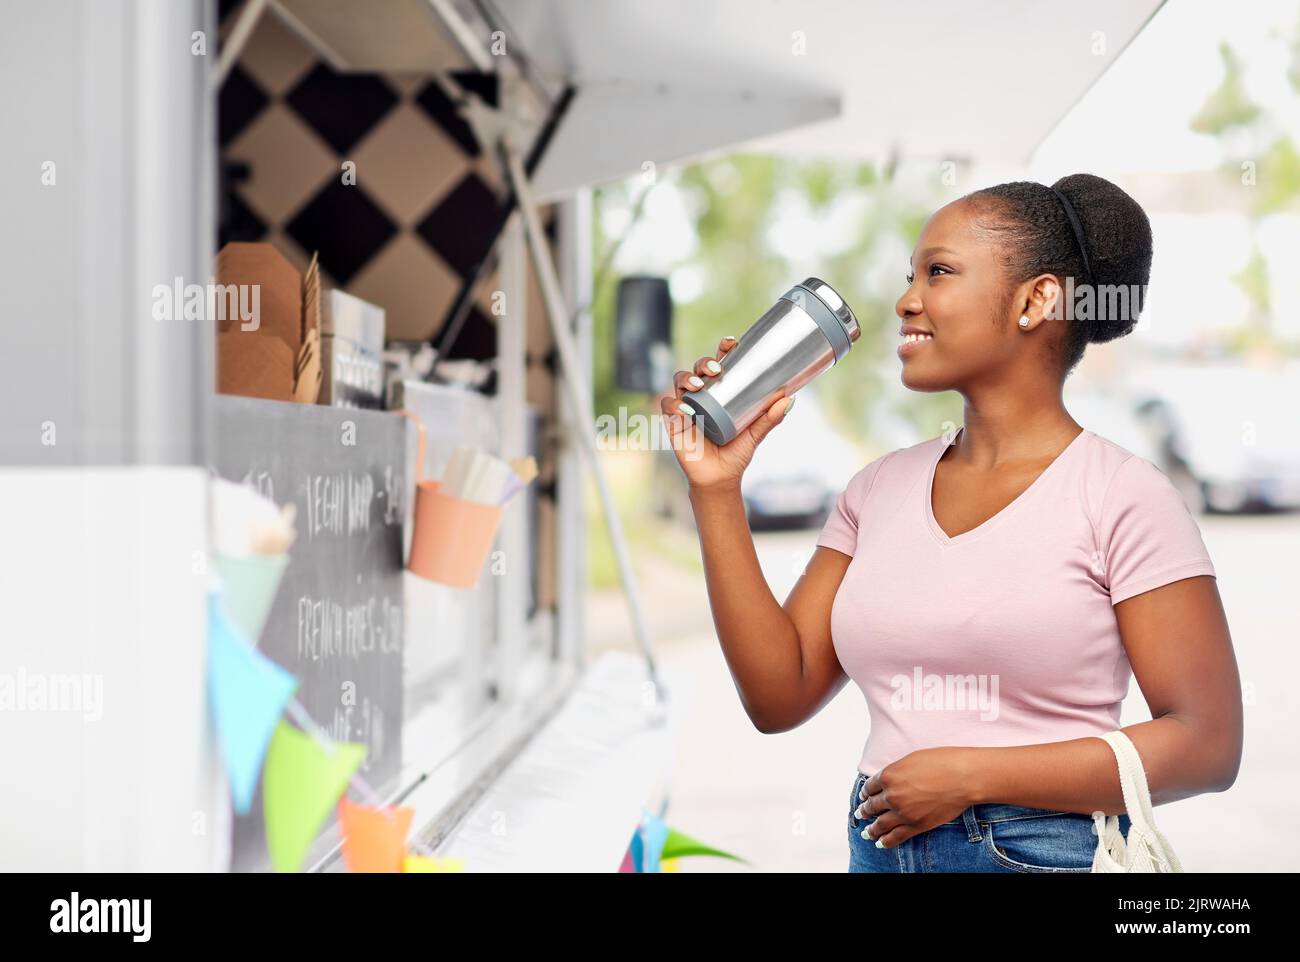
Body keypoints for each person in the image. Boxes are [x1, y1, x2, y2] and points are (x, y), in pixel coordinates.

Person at [658, 174, 1242, 873]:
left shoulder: (1123, 496)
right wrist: (717, 490)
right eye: (912, 275)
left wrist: (977, 775)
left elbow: (1207, 746)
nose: (907, 300)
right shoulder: (877, 489)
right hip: (880, 846)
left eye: (939, 272)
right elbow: (779, 694)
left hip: (1038, 851)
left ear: (1037, 299)